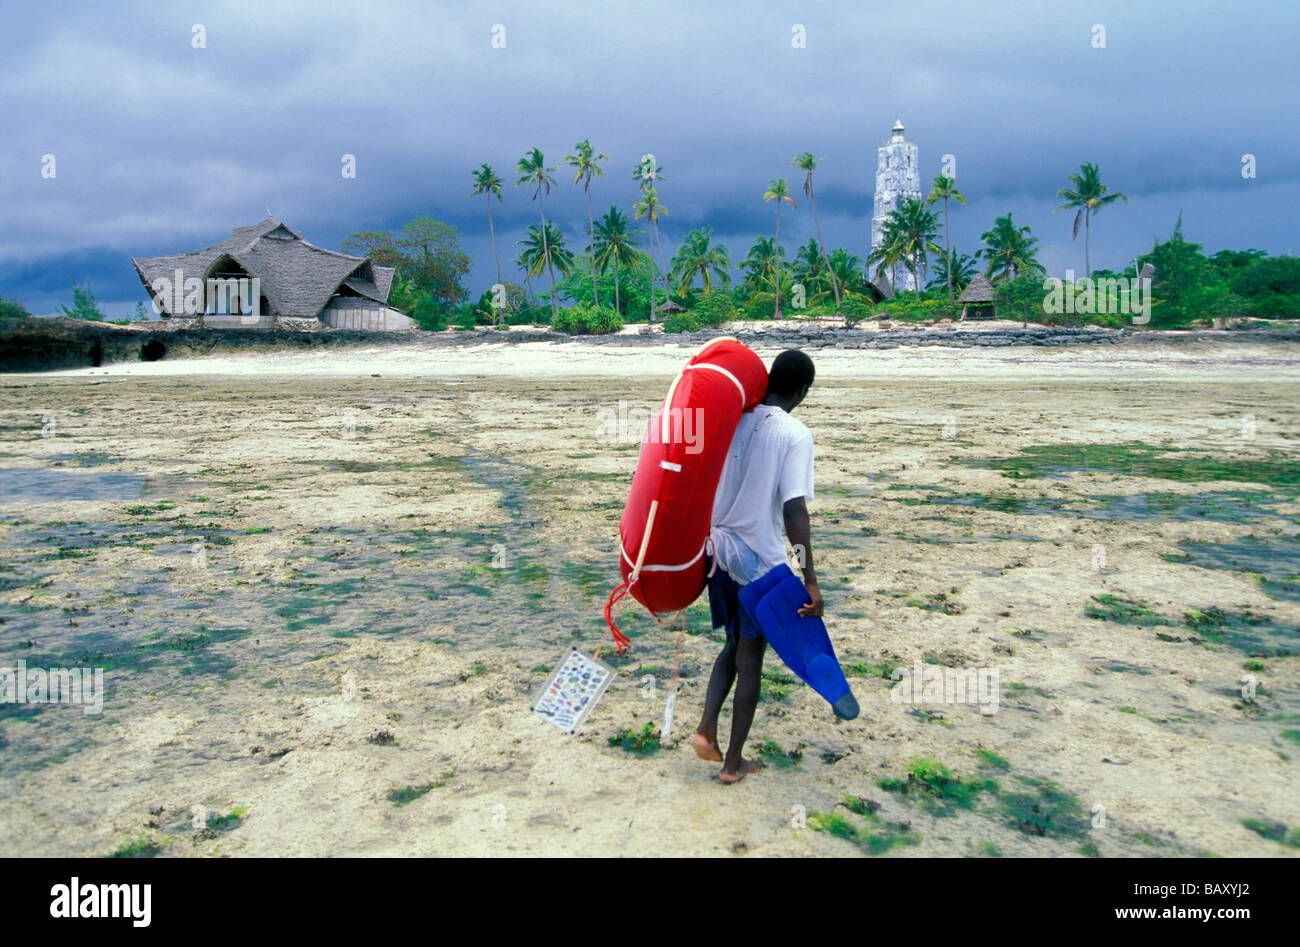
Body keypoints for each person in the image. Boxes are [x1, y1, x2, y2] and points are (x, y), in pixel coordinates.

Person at [691, 348, 819, 783]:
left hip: (716, 552)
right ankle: (732, 764)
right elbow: (794, 513)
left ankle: (706, 729)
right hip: (758, 562)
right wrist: (810, 581)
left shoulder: (733, 421)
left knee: (731, 645)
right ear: (802, 391)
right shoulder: (795, 434)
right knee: (751, 658)